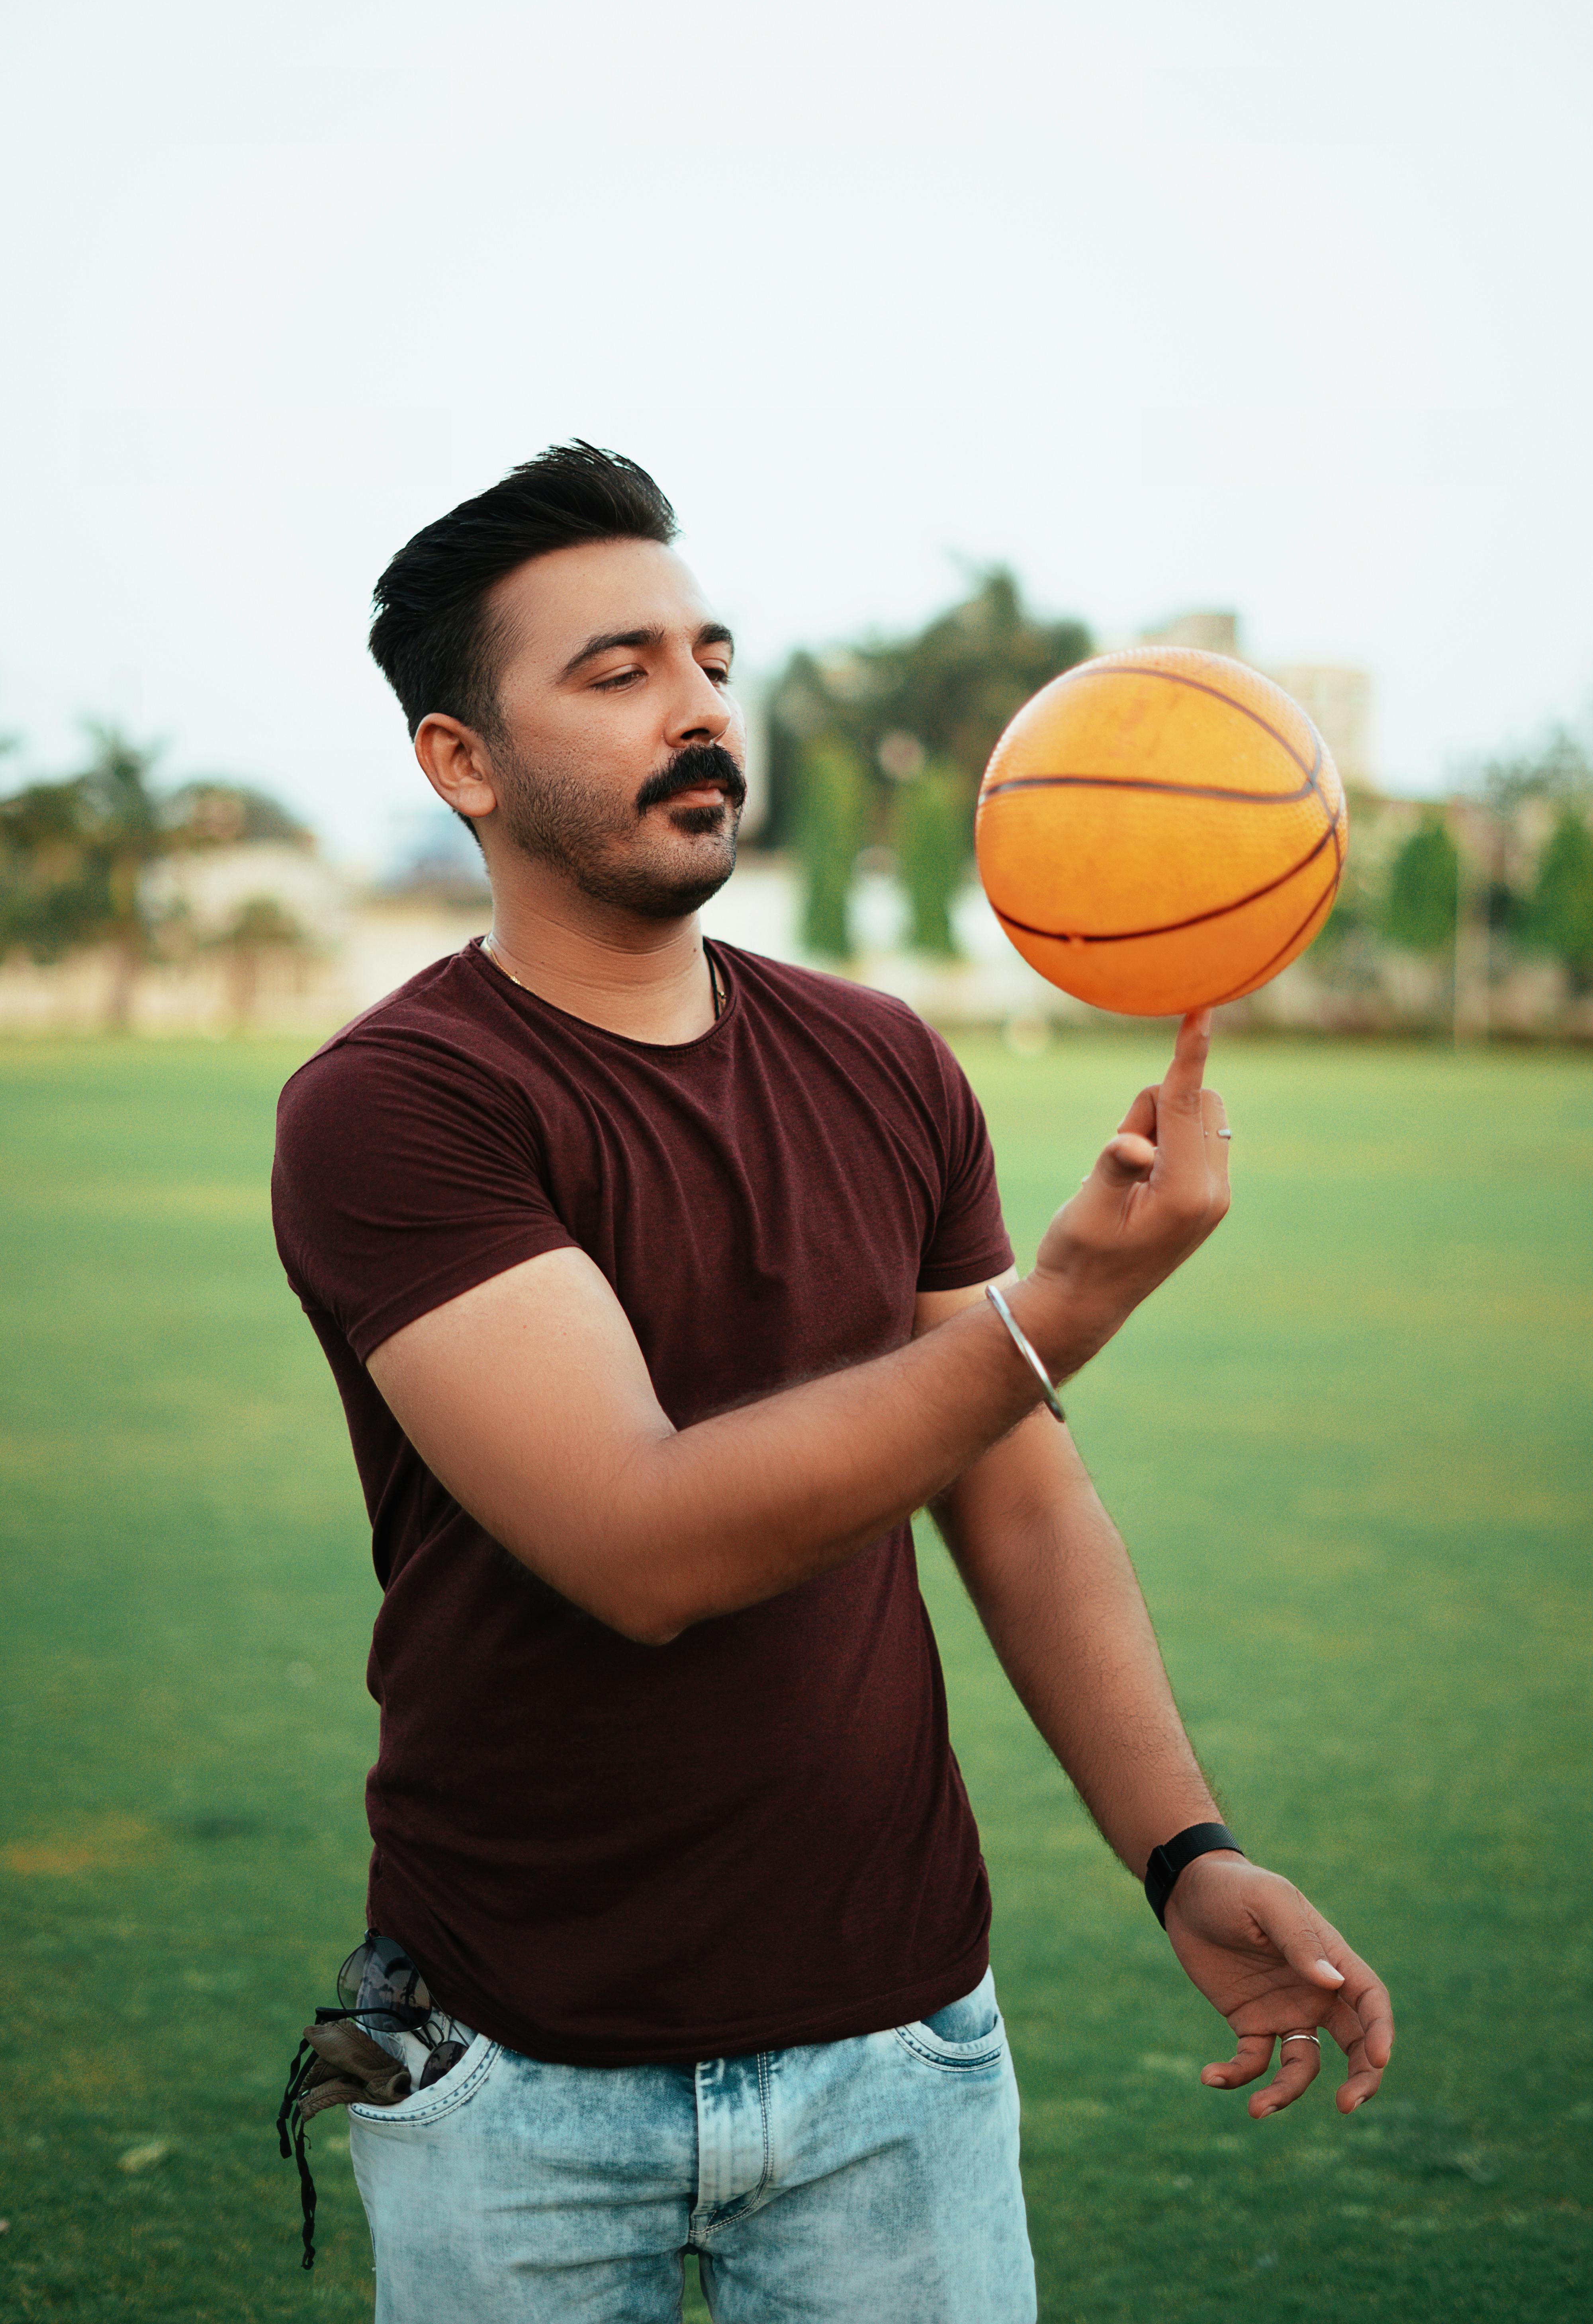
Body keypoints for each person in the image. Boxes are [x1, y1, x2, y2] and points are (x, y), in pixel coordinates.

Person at [271, 442, 1393, 2323]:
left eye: (711, 656)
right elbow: (642, 1543)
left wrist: (1180, 1848)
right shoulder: (396, 1107)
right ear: (460, 762)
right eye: (616, 671)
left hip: (903, 2056)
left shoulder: (883, 1064)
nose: (701, 705)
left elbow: (1015, 1492)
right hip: (519, 2080)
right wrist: (1054, 1312)